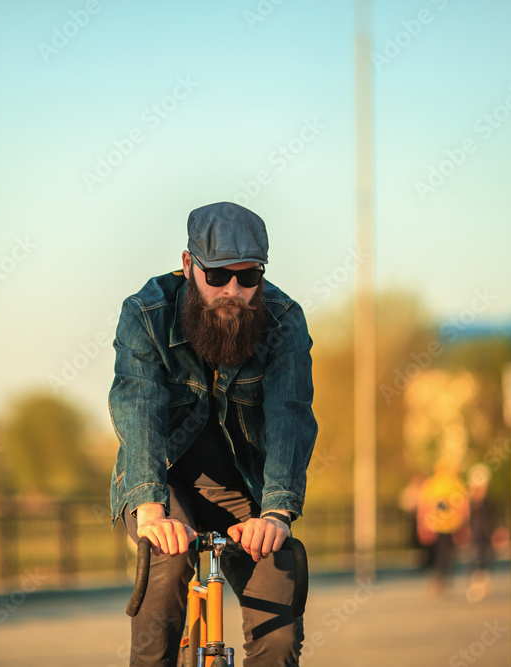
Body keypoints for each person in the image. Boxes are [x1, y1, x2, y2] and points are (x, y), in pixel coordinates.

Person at [108, 201, 317, 666]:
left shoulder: (284, 321)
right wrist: (150, 509)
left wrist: (278, 513)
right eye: (218, 276)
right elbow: (137, 408)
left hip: (247, 493)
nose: (234, 291)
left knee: (278, 628)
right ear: (189, 266)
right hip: (165, 485)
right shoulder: (146, 314)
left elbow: (290, 414)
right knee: (165, 569)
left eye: (249, 277)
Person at [416, 459, 469, 596]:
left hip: (435, 524)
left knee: (436, 552)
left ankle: (438, 577)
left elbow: (423, 505)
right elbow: (463, 505)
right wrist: (464, 523)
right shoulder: (455, 483)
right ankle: (441, 577)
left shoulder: (432, 484)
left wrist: (422, 523)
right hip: (450, 524)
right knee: (445, 553)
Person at [464, 463, 495, 602]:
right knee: (474, 559)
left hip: (484, 537)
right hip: (474, 537)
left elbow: (492, 520)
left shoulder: (487, 503)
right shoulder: (469, 503)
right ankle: (479, 582)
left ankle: (479, 584)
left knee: (482, 559)